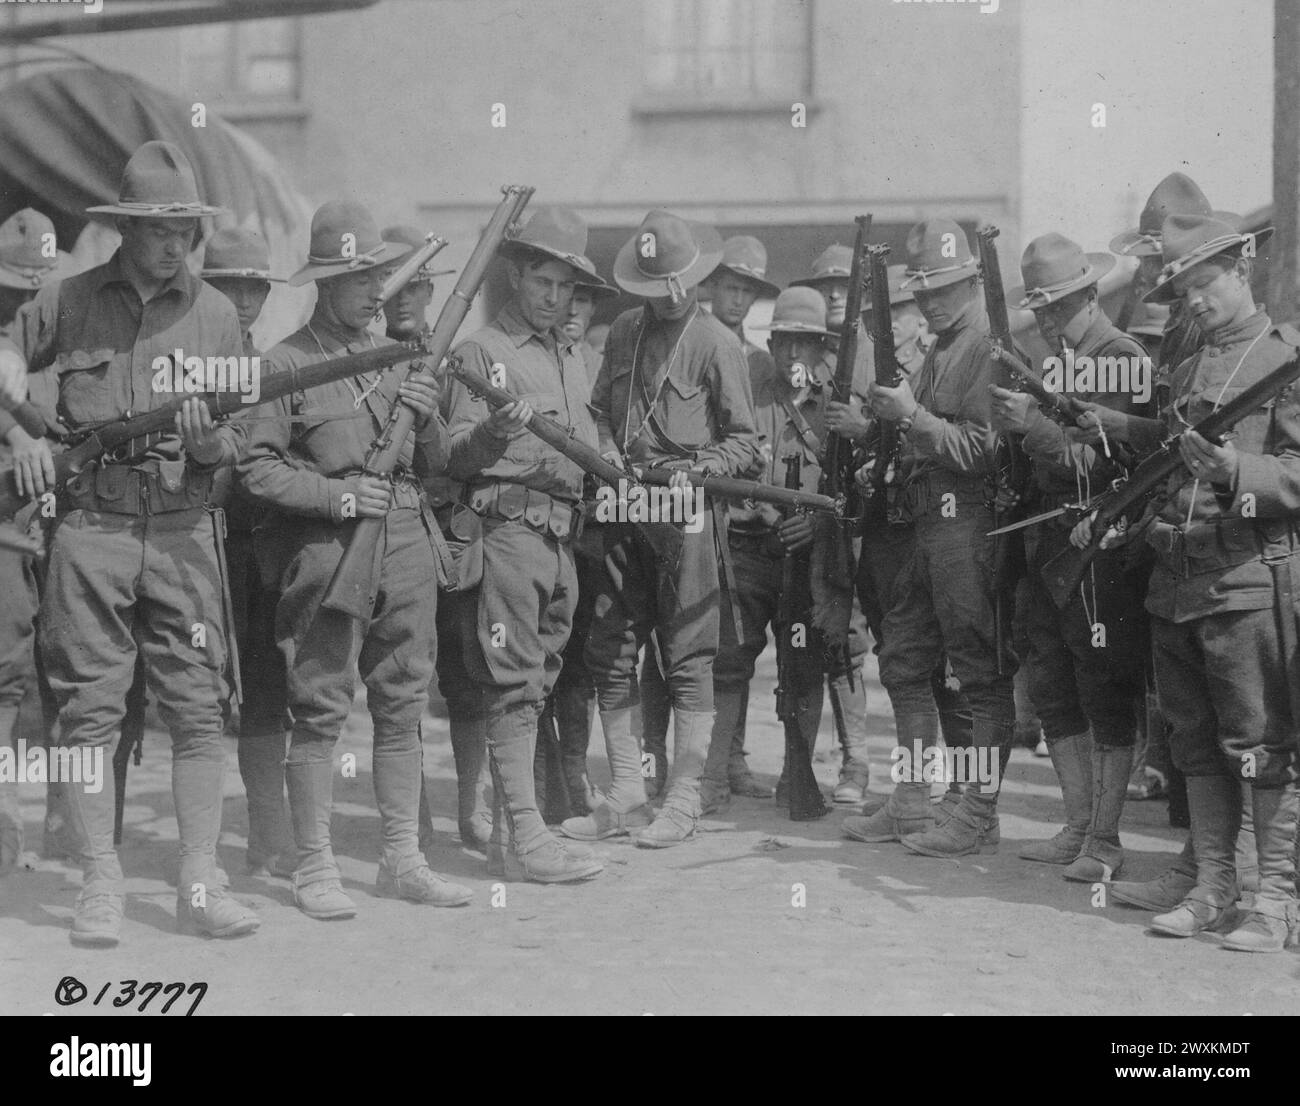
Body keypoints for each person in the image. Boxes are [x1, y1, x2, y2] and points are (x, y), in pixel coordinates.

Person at [2, 141, 260, 944]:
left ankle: (195, 882)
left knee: (196, 707)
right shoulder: (70, 300)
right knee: (86, 714)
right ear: (123, 228)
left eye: (184, 224)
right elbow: (9, 351)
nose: (174, 238)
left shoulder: (217, 315)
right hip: (91, 530)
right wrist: (19, 430)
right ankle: (99, 884)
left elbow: (242, 435)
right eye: (157, 225)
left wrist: (211, 443)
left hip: (181, 528)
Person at [239, 199, 476, 918]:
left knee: (403, 704)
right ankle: (314, 865)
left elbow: (436, 463)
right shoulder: (286, 364)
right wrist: (338, 500)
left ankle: (401, 858)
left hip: (405, 537)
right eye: (358, 278)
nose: (376, 289)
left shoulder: (402, 355)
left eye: (378, 274)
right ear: (322, 283)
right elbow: (255, 468)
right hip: (328, 549)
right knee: (318, 709)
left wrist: (428, 408)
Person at [1076, 213, 1299, 951]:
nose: (1195, 301)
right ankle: (1212, 887)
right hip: (1175, 578)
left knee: (1259, 744)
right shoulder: (1185, 365)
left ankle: (1276, 902)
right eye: (1183, 290)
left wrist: (1239, 470)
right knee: (1195, 747)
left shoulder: (1284, 357)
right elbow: (1170, 459)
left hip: (1244, 578)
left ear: (1243, 268)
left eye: (1205, 283)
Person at [562, 209, 760, 848]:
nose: (661, 302)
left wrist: (699, 469)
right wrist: (606, 454)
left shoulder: (715, 343)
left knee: (687, 659)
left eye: (669, 289)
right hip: (624, 508)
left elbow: (746, 445)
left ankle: (684, 800)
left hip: (685, 515)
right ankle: (625, 793)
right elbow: (597, 411)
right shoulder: (622, 330)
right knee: (610, 649)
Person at [441, 206, 607, 883]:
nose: (554, 298)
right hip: (507, 533)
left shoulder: (572, 357)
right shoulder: (483, 353)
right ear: (515, 275)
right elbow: (452, 454)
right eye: (543, 282)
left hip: (563, 537)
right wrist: (495, 437)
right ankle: (529, 837)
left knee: (537, 685)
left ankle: (516, 841)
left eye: (566, 287)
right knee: (510, 686)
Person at [843, 218, 1015, 857]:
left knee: (979, 674)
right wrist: (887, 458)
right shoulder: (943, 346)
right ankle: (913, 799)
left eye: (944, 287)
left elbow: (981, 450)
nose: (932, 301)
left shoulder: (986, 346)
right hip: (926, 525)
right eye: (923, 292)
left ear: (973, 280)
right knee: (905, 660)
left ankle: (978, 812)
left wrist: (910, 418)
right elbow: (925, 438)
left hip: (969, 528)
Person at [988, 233, 1152, 881]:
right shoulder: (1054, 364)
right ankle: (1078, 824)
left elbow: (1111, 465)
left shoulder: (1123, 359)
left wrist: (1035, 429)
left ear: (1091, 294)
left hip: (1100, 542)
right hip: (1047, 542)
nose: (1049, 321)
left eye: (1058, 307)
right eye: (1042, 310)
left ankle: (1106, 839)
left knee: (1102, 684)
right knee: (1053, 686)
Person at [832, 263, 974, 819]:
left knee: (957, 673)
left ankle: (965, 796)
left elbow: (960, 447)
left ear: (918, 323)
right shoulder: (878, 377)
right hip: (891, 540)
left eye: (893, 315)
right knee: (904, 662)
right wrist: (869, 449)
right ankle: (917, 791)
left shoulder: (944, 367)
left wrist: (874, 431)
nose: (881, 328)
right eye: (873, 319)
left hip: (941, 532)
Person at [700, 287, 839, 815]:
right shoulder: (748, 390)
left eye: (806, 345)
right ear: (773, 344)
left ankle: (797, 777)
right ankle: (714, 777)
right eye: (784, 343)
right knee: (730, 660)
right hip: (748, 549)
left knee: (804, 667)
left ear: (822, 349)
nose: (794, 356)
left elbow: (855, 490)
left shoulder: (840, 405)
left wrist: (818, 526)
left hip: (809, 559)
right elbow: (723, 458)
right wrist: (762, 509)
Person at [199, 226, 296, 879]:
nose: (242, 299)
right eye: (228, 284)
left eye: (253, 286)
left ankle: (267, 835)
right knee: (192, 696)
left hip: (253, 550)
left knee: (265, 685)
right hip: (185, 547)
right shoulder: (175, 358)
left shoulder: (268, 366)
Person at [0, 207, 70, 874]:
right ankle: (5, 814)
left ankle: (63, 809)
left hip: (72, 528)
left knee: (72, 673)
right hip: (10, 537)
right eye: (10, 291)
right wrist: (19, 437)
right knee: (6, 674)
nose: (22, 303)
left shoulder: (70, 342)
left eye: (33, 291)